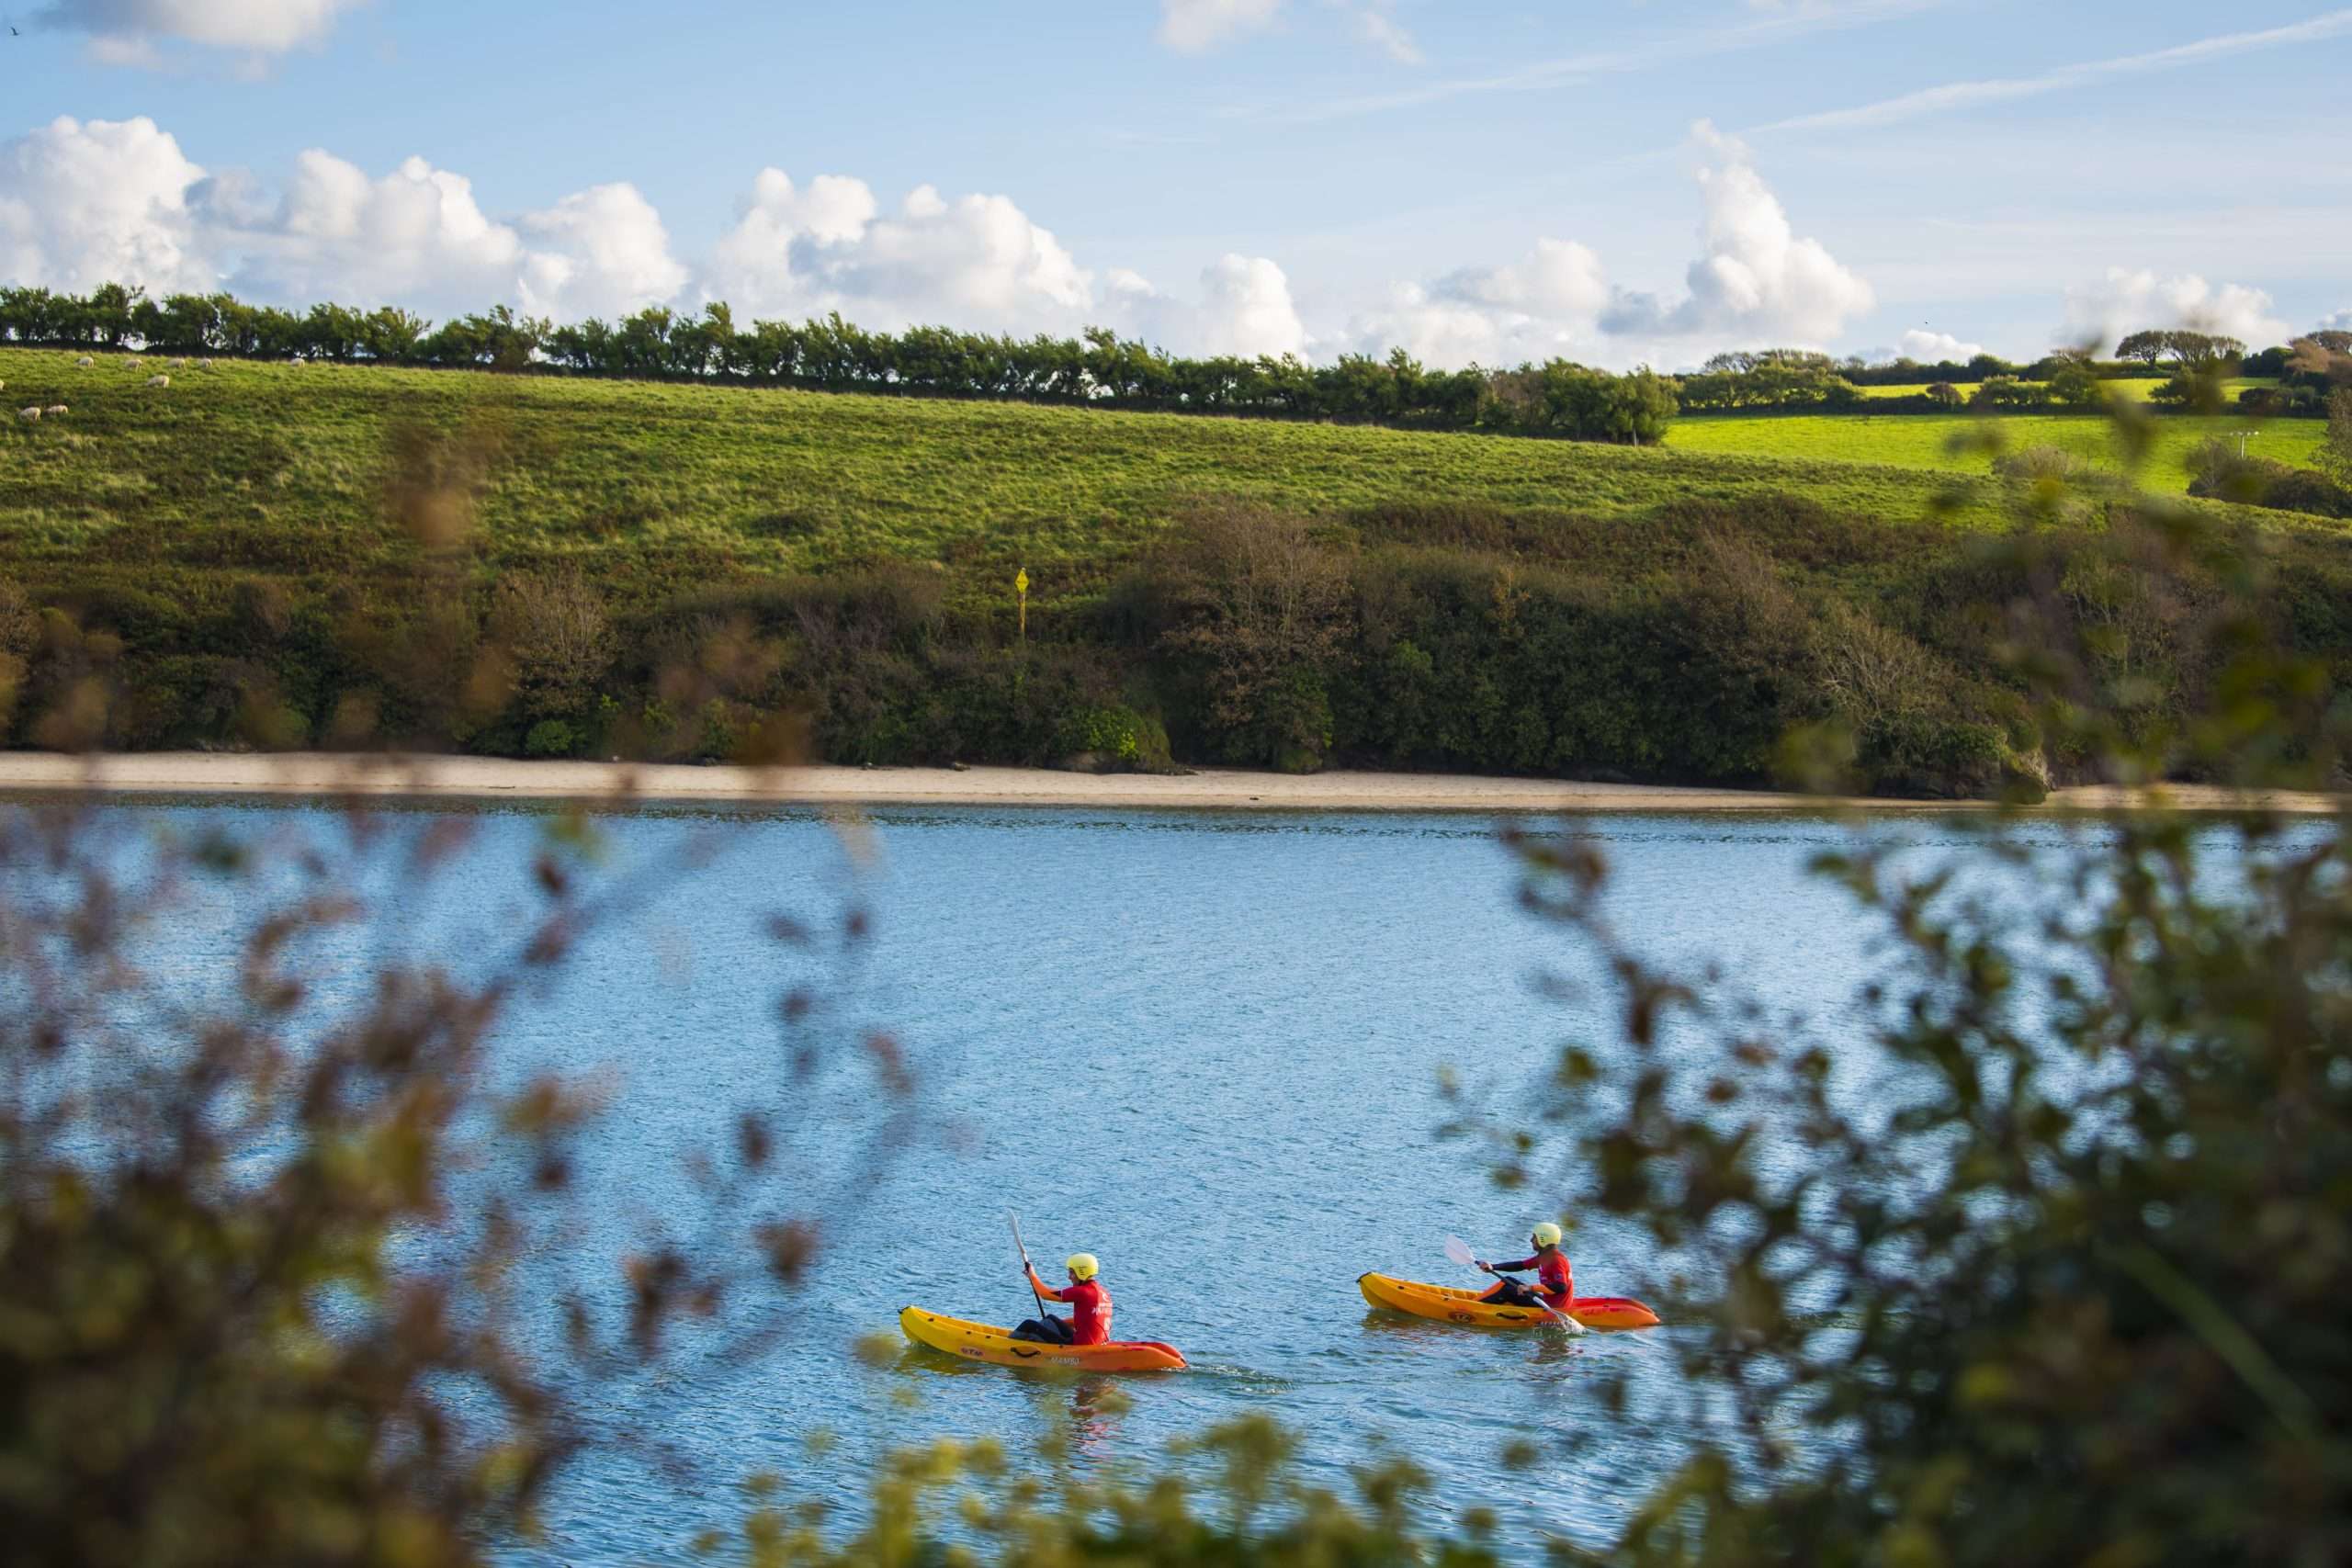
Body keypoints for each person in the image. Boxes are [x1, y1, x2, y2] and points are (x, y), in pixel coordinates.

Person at [1013, 1252, 1113, 1345]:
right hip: (1099, 1343)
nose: (1069, 1277)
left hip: (1078, 1346)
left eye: (1072, 1272)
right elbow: (1088, 1320)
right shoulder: (1104, 1293)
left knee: (1029, 1325)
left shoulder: (1083, 1291)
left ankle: (1007, 1347)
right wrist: (1059, 1325)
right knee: (1050, 1319)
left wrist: (1032, 1276)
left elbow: (1044, 1294)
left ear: (1082, 1272)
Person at [1477, 1222, 1573, 1309]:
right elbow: (1519, 1265)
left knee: (1508, 1291)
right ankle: (1477, 1302)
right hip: (1547, 1302)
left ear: (1543, 1239)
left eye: (1534, 1237)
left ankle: (1477, 1307)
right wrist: (1493, 1267)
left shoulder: (1556, 1260)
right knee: (1508, 1280)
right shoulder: (1545, 1257)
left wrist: (1530, 1288)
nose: (1531, 1240)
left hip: (1554, 1308)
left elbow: (1560, 1287)